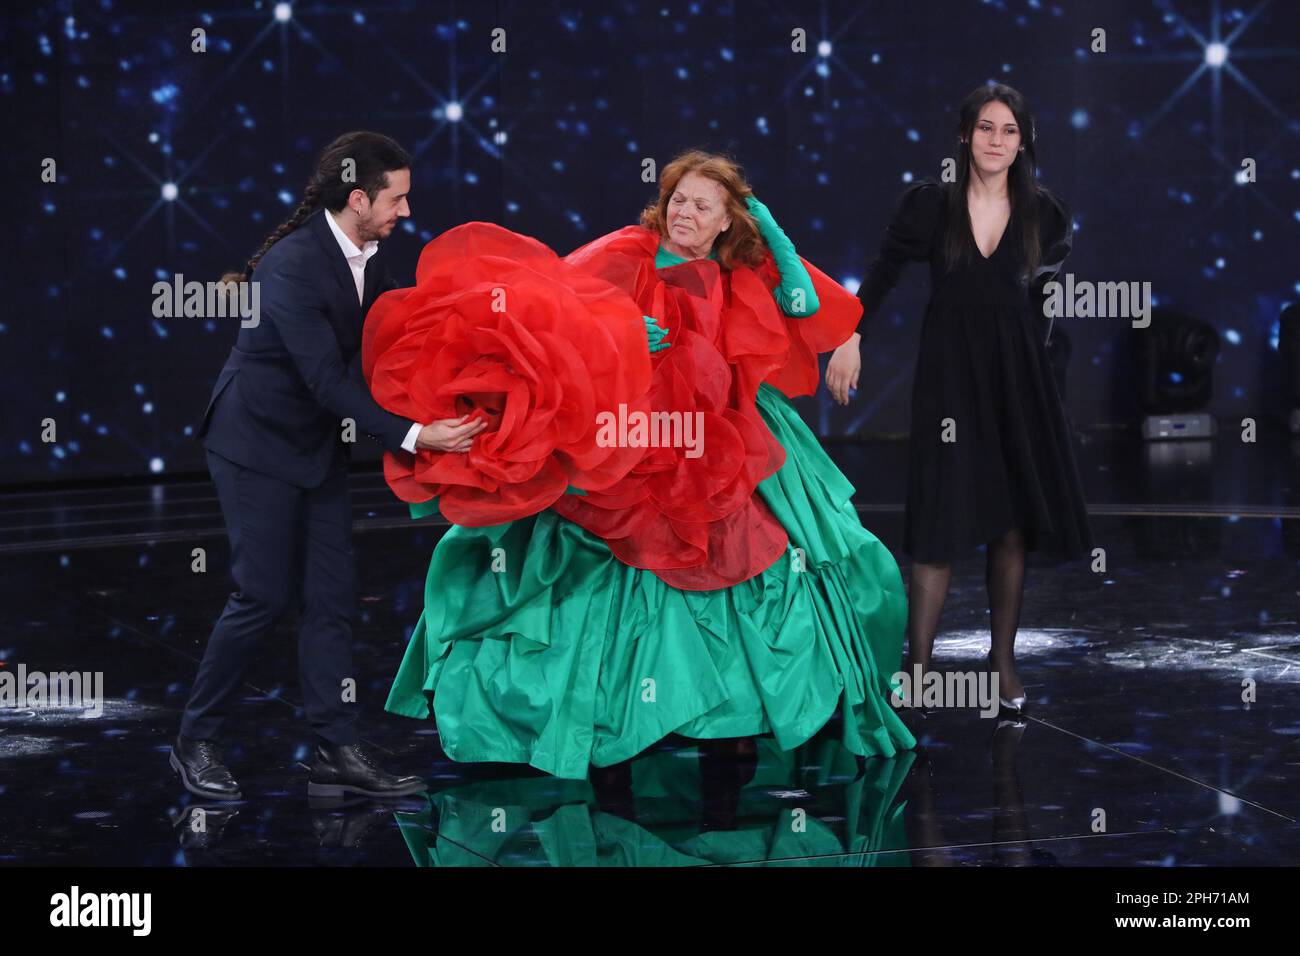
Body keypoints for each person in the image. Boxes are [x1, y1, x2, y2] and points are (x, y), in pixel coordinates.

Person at [364, 149, 916, 783]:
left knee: (765, 542)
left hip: (729, 423)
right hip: (633, 421)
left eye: (702, 205)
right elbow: (552, 302)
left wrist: (770, 231)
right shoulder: (629, 248)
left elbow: (800, 303)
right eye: (678, 198)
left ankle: (734, 708)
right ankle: (615, 708)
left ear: (727, 219)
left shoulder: (742, 263)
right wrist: (621, 329)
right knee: (620, 541)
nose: (683, 212)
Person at [171, 131, 483, 802]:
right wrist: (419, 434)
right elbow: (325, 382)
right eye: (397, 198)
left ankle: (335, 748)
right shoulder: (292, 266)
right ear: (359, 196)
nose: (406, 210)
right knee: (262, 595)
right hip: (255, 445)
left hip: (312, 449)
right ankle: (195, 739)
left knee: (333, 599)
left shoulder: (369, 256)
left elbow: (406, 341)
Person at [825, 84, 1093, 715]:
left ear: (1023, 142)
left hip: (1018, 382)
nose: (995, 141)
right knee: (939, 518)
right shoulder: (930, 207)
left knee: (1010, 524)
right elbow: (883, 273)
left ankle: (1000, 661)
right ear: (965, 136)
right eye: (984, 128)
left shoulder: (1046, 215)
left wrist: (1048, 394)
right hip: (948, 379)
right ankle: (918, 667)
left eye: (1008, 131)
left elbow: (1043, 312)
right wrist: (850, 336)